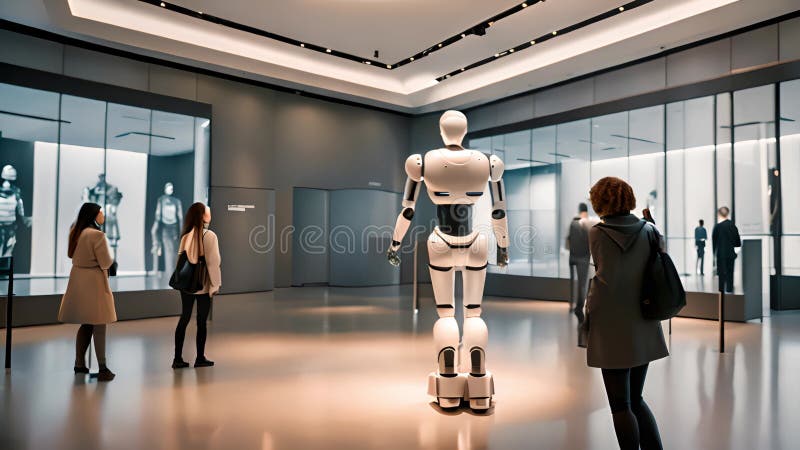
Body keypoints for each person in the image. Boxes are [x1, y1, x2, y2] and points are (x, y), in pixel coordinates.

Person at [584, 177, 668, 450]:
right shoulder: (650, 230)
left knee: (620, 405)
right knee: (637, 398)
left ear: (600, 202)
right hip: (643, 319)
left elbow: (604, 280)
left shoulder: (597, 233)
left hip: (610, 324)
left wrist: (587, 321)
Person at [57, 203, 118, 382]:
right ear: (93, 215)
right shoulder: (97, 235)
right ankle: (103, 368)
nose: (103, 216)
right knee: (100, 322)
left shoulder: (76, 231)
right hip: (95, 281)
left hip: (78, 279)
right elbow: (106, 262)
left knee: (86, 324)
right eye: (101, 213)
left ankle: (79, 364)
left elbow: (70, 255)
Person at [172, 202, 221, 369]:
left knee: (184, 318)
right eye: (208, 211)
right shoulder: (210, 236)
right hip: (203, 284)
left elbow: (180, 260)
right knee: (201, 322)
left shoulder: (186, 235)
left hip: (186, 284)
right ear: (203, 216)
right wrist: (215, 284)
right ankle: (200, 358)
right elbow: (214, 263)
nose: (210, 213)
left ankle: (177, 358)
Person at [566, 202, 596, 321]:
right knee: (582, 284)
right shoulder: (587, 223)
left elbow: (568, 240)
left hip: (572, 256)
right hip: (583, 257)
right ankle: (579, 307)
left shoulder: (573, 223)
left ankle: (571, 305)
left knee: (572, 281)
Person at [712, 207, 741, 293]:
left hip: (721, 254)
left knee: (721, 274)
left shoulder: (717, 227)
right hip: (731, 254)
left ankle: (721, 292)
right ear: (728, 213)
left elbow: (714, 243)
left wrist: (714, 254)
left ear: (719, 214)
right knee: (730, 273)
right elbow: (737, 242)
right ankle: (729, 289)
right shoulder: (733, 226)